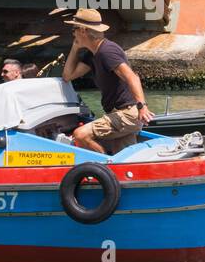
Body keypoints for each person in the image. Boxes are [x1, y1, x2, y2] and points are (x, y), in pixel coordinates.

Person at [60, 8, 155, 154]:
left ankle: (103, 166)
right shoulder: (92, 55)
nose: (73, 33)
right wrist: (75, 47)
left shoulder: (107, 51)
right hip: (117, 114)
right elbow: (68, 76)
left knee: (80, 135)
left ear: (83, 31)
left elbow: (132, 77)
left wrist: (142, 106)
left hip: (127, 114)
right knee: (122, 157)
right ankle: (111, 170)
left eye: (74, 29)